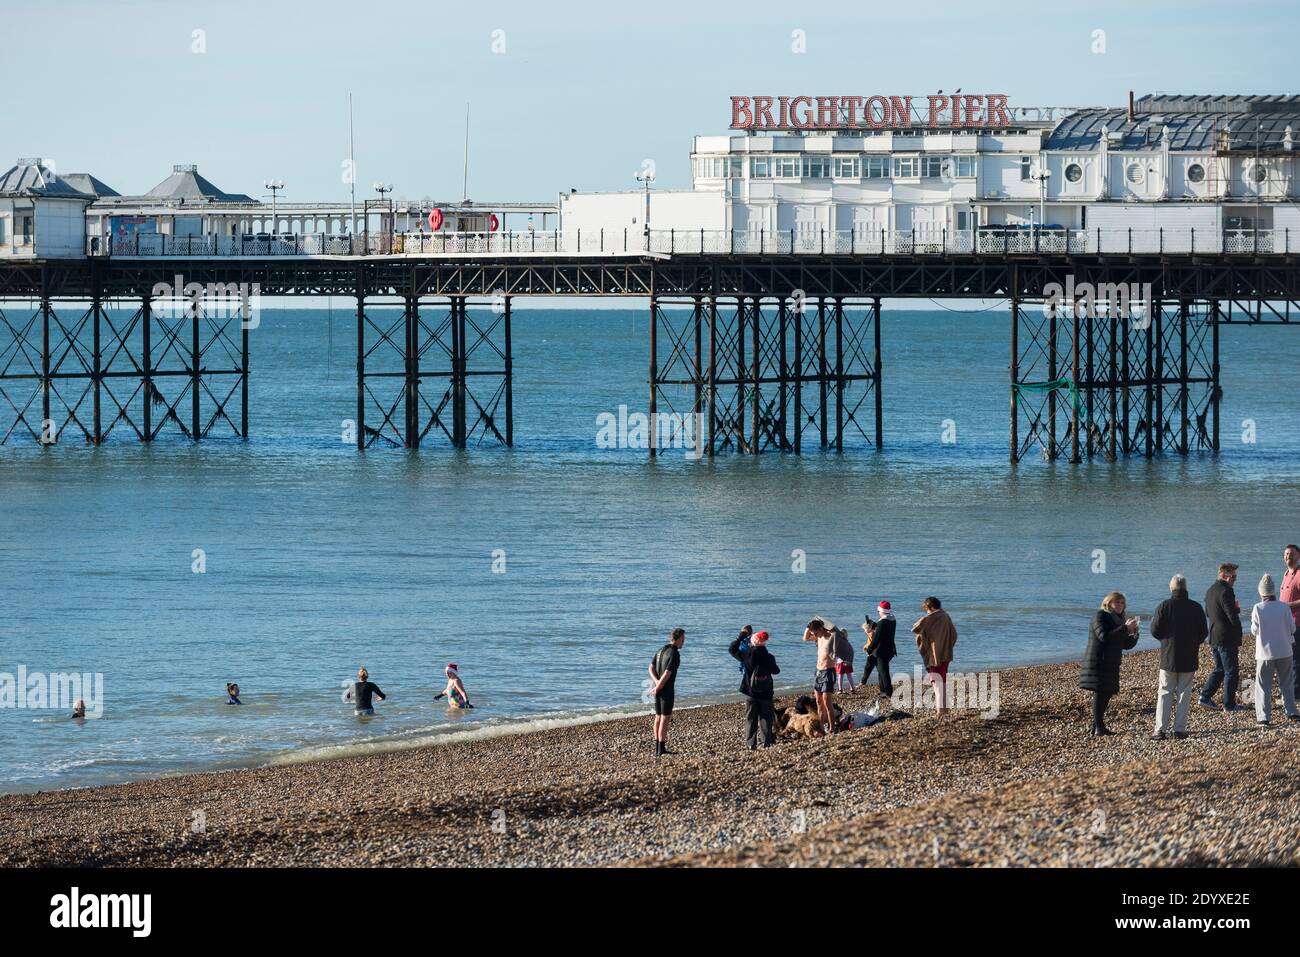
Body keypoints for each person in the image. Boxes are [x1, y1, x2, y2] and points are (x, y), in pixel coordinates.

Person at [1149, 574, 1208, 740]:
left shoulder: (1164, 606)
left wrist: (1165, 640)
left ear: (1171, 588)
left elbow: (1155, 630)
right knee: (1184, 693)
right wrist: (1194, 642)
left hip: (1169, 655)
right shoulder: (1196, 607)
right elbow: (1203, 632)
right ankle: (1179, 729)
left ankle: (1160, 729)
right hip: (1189, 655)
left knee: (1165, 692)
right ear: (1186, 589)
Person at [1078, 591, 1140, 735]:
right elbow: (1104, 636)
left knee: (1107, 693)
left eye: (1122, 603)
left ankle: (1097, 727)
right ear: (1108, 603)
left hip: (1111, 662)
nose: (1120, 605)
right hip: (1099, 660)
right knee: (1100, 692)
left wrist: (1134, 633)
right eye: (1117, 602)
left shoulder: (1119, 620)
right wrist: (1125, 628)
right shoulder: (1100, 616)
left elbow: (1125, 644)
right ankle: (1099, 727)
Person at [1251, 574, 1300, 726]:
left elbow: (1254, 630)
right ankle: (1291, 711)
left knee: (1263, 685)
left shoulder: (1258, 608)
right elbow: (1292, 628)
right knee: (1286, 682)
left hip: (1265, 654)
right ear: (1274, 592)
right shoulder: (1284, 607)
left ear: (1261, 592)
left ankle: (1264, 717)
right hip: (1285, 650)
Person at [1200, 563, 1243, 711]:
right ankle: (1229, 704)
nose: (1235, 580)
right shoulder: (1226, 590)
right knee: (1231, 671)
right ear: (1225, 575)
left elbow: (1207, 613)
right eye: (1233, 577)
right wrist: (1239, 634)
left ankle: (1205, 696)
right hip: (1226, 636)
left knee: (1220, 669)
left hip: (1213, 635)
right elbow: (1232, 616)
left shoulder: (1210, 590)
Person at [730, 629, 780, 749]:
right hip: (766, 692)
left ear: (753, 642)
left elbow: (732, 649)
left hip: (750, 691)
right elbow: (776, 671)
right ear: (764, 643)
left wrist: (740, 637)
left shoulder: (747, 655)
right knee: (766, 717)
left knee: (750, 718)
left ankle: (751, 743)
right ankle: (766, 742)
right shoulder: (769, 657)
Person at [912, 597, 958, 713]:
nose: (926, 612)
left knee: (937, 686)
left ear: (931, 607)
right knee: (942, 683)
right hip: (946, 655)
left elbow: (915, 628)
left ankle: (940, 713)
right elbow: (954, 635)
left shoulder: (931, 617)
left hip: (934, 657)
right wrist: (947, 647)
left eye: (927, 609)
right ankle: (945, 710)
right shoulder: (946, 616)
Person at [648, 629, 684, 757]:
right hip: (666, 690)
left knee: (658, 716)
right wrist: (660, 685)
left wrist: (656, 683)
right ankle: (661, 748)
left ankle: (657, 747)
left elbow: (650, 668)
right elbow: (668, 673)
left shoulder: (661, 650)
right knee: (665, 718)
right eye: (683, 639)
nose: (683, 642)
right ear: (678, 638)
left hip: (657, 688)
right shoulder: (674, 653)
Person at [802, 617, 838, 733]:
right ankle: (821, 727)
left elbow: (836, 630)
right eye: (814, 633)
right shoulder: (818, 637)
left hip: (829, 670)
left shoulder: (830, 637)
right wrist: (808, 626)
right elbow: (805, 638)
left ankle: (832, 727)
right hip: (818, 671)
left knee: (827, 700)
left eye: (816, 632)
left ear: (821, 629)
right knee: (818, 701)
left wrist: (822, 622)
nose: (815, 635)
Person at [861, 600, 897, 698]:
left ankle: (888, 692)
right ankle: (883, 691)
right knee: (882, 670)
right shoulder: (892, 620)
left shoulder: (882, 622)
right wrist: (874, 625)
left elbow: (877, 637)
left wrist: (869, 648)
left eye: (878, 611)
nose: (878, 613)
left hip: (881, 651)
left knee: (883, 672)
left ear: (882, 611)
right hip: (890, 649)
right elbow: (884, 630)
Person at [1282, 545, 1300, 699]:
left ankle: (1295, 693)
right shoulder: (1286, 573)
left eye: (1292, 554)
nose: (1288, 556)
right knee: (1288, 657)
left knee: (1295, 659)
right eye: (1286, 554)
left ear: (1298, 556)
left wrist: (1289, 605)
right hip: (1286, 624)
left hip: (1297, 624)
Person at [834, 627, 855, 692]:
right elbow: (851, 651)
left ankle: (840, 689)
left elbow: (836, 650)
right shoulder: (847, 642)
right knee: (849, 675)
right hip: (848, 661)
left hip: (841, 661)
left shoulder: (839, 641)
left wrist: (834, 659)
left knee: (840, 675)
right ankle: (852, 688)